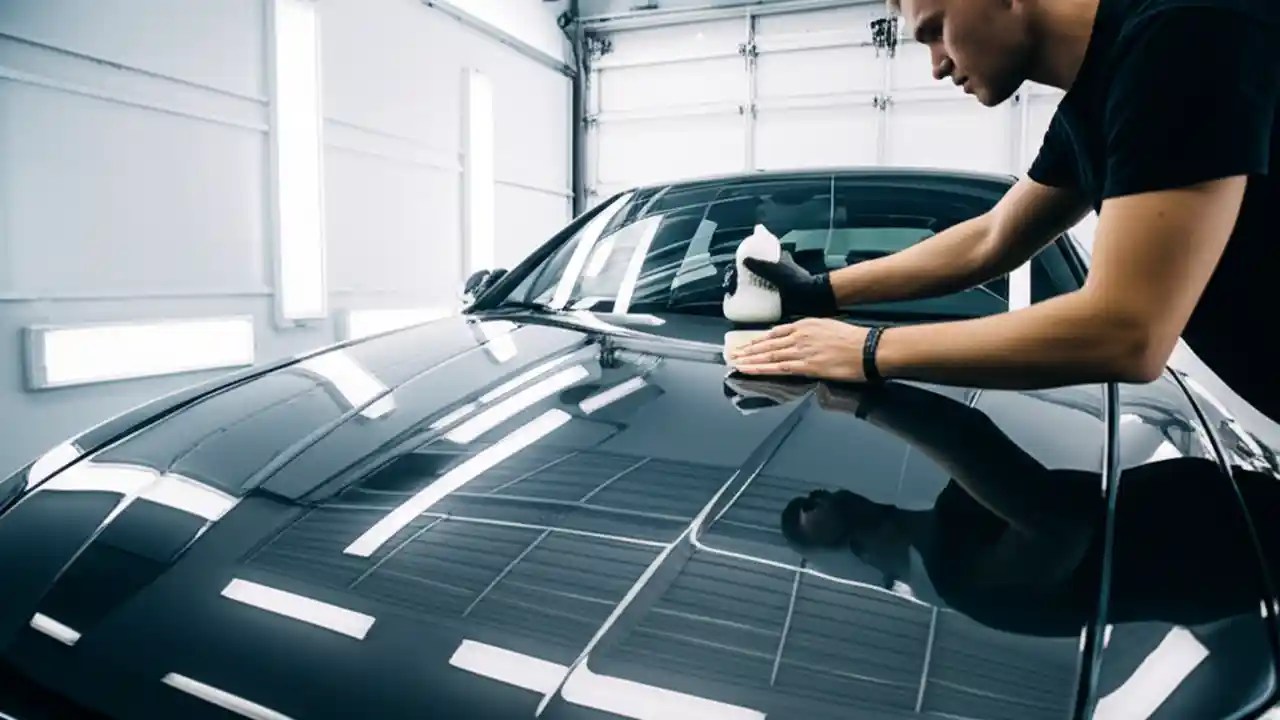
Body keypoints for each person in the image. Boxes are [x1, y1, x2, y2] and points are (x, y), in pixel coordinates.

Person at [728, 0, 1280, 427]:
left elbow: (1127, 331)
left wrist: (869, 350)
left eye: (937, 29)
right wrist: (821, 291)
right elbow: (992, 239)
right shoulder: (1101, 94)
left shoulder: (1186, 31)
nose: (938, 66)